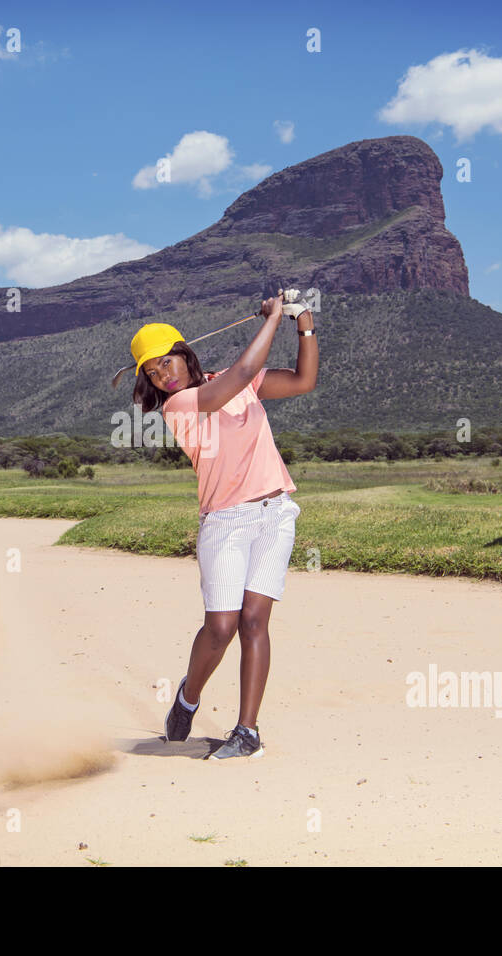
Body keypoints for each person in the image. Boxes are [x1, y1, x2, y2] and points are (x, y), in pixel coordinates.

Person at [129, 291, 317, 759]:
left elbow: (303, 380)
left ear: (184, 354)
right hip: (225, 523)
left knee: (255, 621)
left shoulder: (228, 384)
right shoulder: (181, 406)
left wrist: (304, 321)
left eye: (165, 363)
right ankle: (188, 697)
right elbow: (243, 374)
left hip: (275, 514)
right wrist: (274, 318)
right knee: (221, 626)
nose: (161, 375)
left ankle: (247, 731)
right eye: (151, 373)